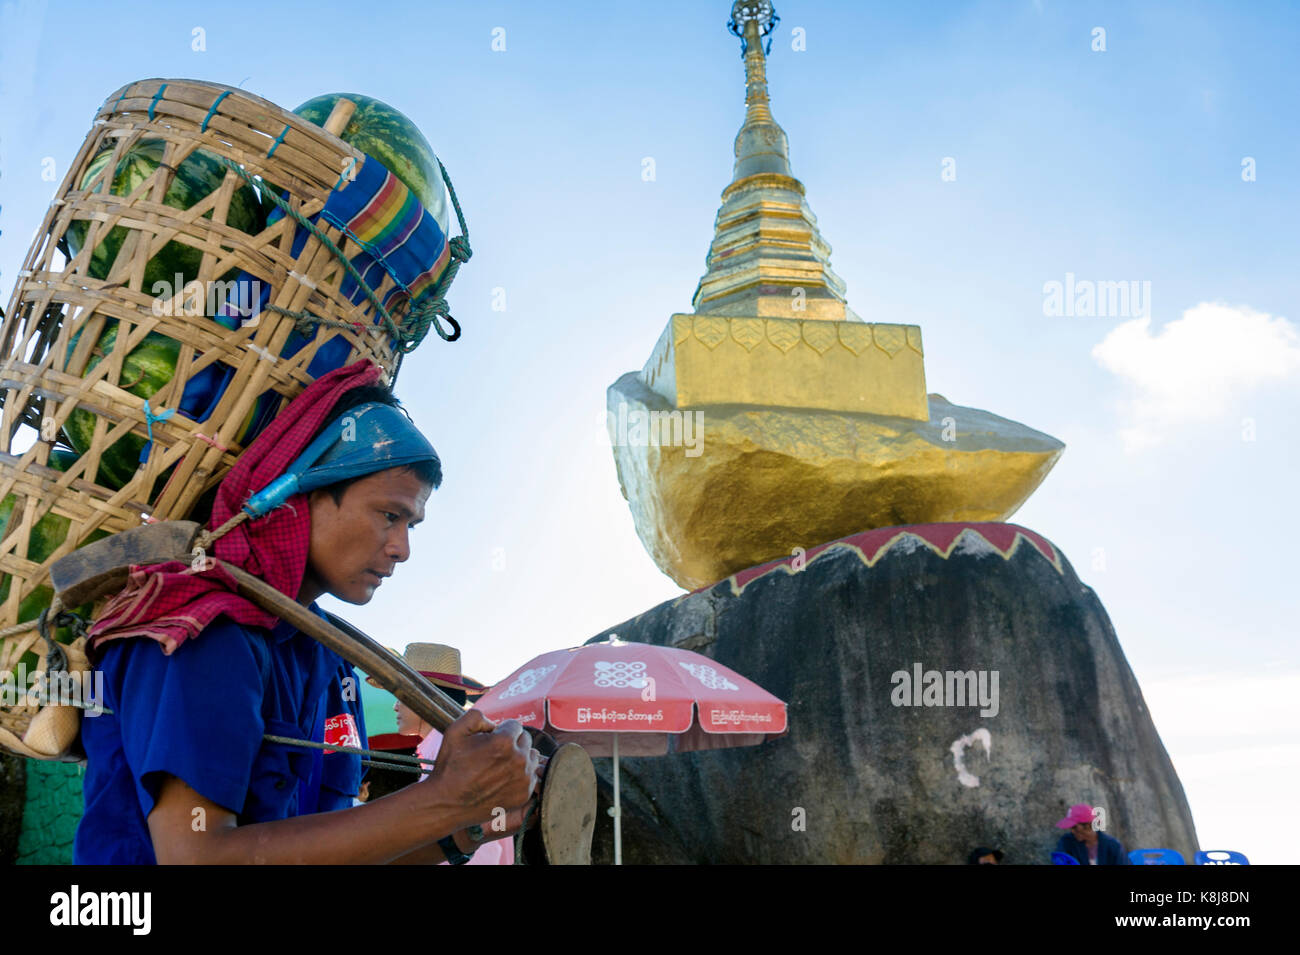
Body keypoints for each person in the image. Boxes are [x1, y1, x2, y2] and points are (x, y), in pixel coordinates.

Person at [73, 361, 540, 864]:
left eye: (411, 525)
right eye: (390, 515)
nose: (402, 549)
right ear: (302, 492)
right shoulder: (201, 632)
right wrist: (447, 798)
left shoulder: (331, 665)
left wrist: (466, 829)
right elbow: (196, 856)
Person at [372, 643, 514, 865]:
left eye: (400, 697)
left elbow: (477, 846)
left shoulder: (450, 751)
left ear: (421, 697)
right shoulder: (448, 745)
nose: (395, 707)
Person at [1054, 803, 1130, 865]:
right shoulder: (1067, 842)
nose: (1072, 831)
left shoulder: (1113, 847)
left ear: (1088, 826)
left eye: (1074, 827)